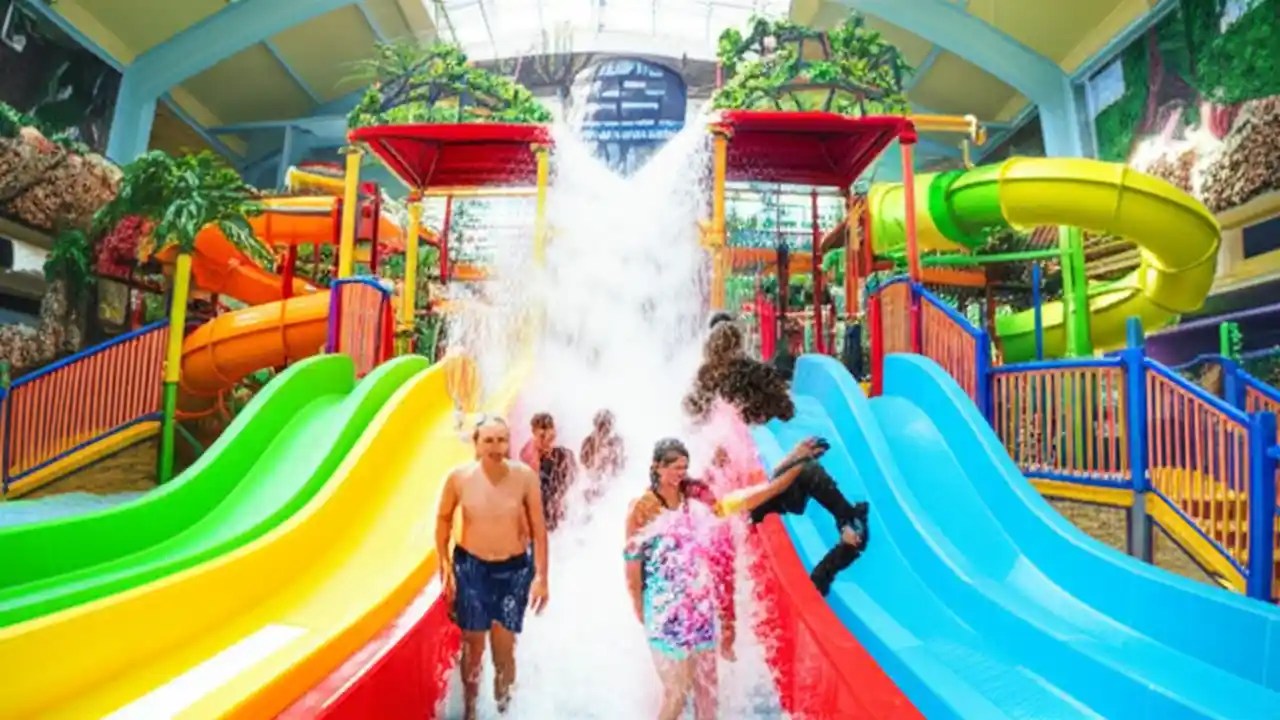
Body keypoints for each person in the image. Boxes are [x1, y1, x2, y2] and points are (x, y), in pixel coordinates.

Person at [625, 436, 824, 720]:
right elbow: (631, 563)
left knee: (709, 694)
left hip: (698, 610)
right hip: (665, 612)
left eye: (684, 467)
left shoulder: (694, 497)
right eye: (674, 468)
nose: (680, 474)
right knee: (676, 694)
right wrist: (638, 605)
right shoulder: (642, 507)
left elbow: (743, 500)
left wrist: (790, 470)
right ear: (656, 467)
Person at [690, 316, 869, 596]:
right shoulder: (718, 445)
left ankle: (845, 529)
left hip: (743, 504)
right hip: (735, 516)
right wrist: (796, 464)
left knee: (806, 466)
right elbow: (748, 500)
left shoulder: (718, 417)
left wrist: (793, 459)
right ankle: (845, 530)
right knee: (809, 471)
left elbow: (755, 490)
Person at [436, 416, 550, 720]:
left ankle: (504, 708)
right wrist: (444, 564)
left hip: (513, 571)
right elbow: (444, 519)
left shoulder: (524, 477)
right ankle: (471, 710)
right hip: (472, 568)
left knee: (503, 648)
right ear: (476, 444)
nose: (497, 447)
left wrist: (542, 576)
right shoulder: (459, 478)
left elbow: (539, 529)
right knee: (473, 648)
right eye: (489, 440)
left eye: (502, 440)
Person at [518, 412, 578, 531]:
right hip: (539, 497)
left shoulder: (561, 454)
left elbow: (572, 476)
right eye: (542, 430)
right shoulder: (529, 452)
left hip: (554, 500)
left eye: (550, 428)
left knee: (565, 456)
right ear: (534, 432)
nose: (547, 434)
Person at [579, 409, 626, 500]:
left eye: (607, 426)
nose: (604, 430)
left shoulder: (617, 443)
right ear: (596, 426)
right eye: (601, 426)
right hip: (592, 487)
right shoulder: (589, 442)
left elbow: (620, 468)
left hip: (610, 489)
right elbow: (585, 466)